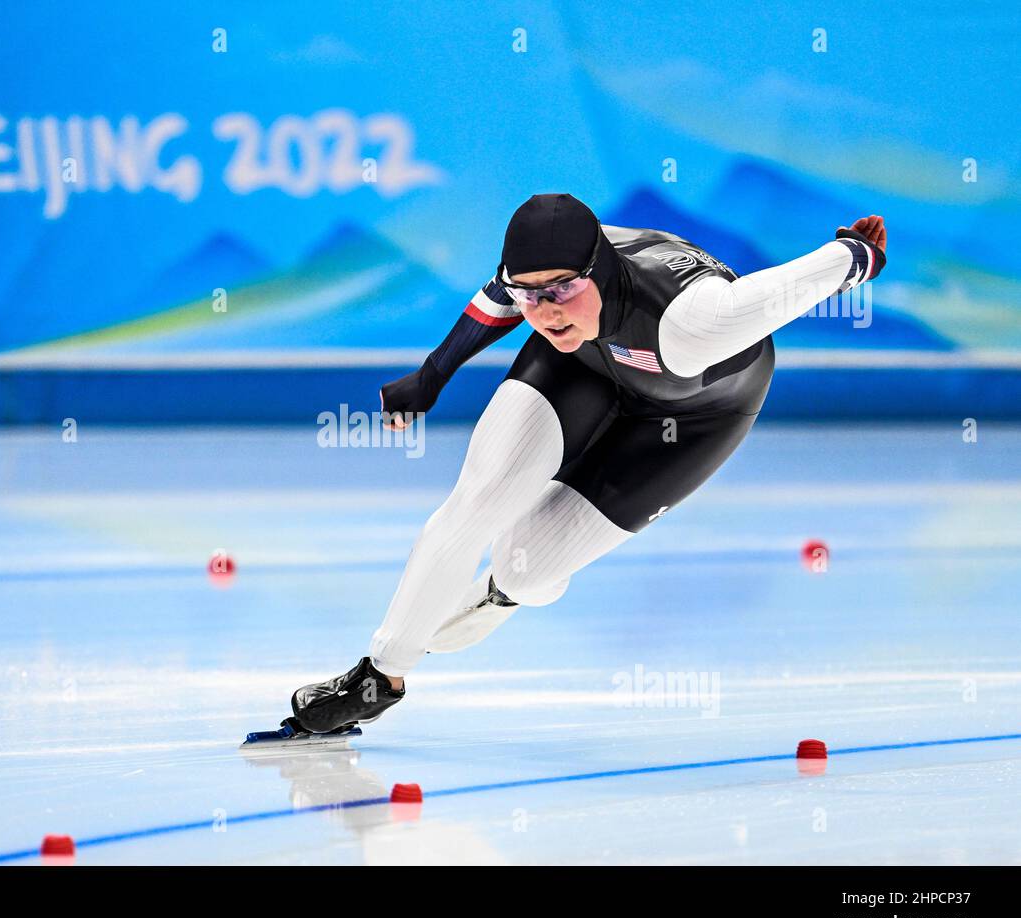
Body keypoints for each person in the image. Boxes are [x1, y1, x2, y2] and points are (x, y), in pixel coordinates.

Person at [289, 194, 886, 735]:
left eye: (561, 291)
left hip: (693, 415)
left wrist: (856, 253)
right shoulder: (549, 296)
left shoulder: (697, 319)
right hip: (586, 365)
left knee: (525, 567)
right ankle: (379, 678)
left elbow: (792, 287)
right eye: (532, 295)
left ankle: (501, 595)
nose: (545, 310)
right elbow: (501, 294)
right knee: (475, 504)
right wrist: (432, 374)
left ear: (597, 272)